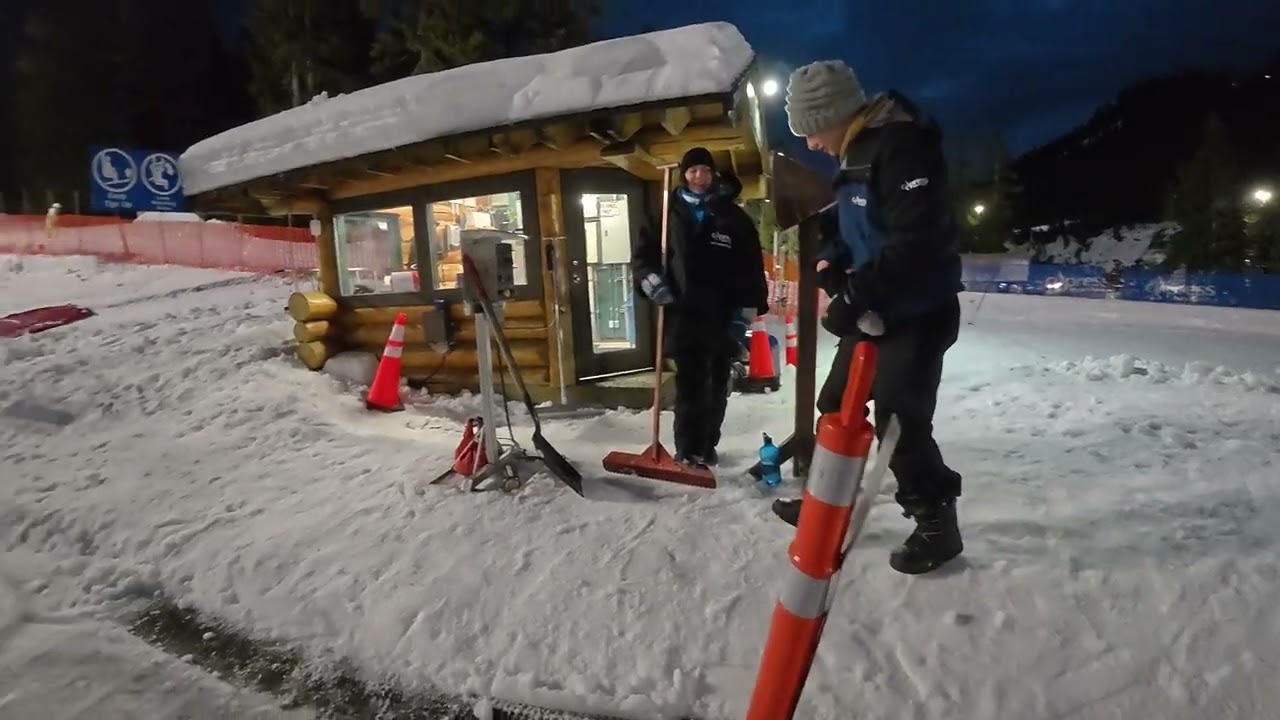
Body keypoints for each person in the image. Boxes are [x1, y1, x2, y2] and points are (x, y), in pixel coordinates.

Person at [772, 60, 966, 575]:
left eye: (812, 130)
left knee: (899, 422)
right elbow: (846, 221)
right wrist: (831, 259)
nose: (810, 143)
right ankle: (827, 505)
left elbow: (917, 243)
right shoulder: (855, 150)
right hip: (877, 306)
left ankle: (935, 523)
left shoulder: (902, 148)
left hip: (917, 312)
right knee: (835, 404)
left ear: (837, 114)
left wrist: (853, 297)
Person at [633, 147, 769, 467]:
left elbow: (750, 267)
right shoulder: (666, 214)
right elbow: (642, 258)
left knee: (716, 383)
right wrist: (654, 283)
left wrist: (744, 313)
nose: (699, 176)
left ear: (713, 175)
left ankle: (707, 445)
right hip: (682, 313)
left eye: (705, 171)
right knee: (689, 385)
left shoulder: (733, 218)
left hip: (721, 316)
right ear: (684, 175)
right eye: (693, 171)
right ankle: (687, 448)